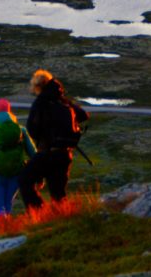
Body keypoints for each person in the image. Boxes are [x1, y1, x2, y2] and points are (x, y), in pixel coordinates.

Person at [18, 69, 89, 209]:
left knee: (24, 180)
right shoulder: (63, 101)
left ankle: (39, 212)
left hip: (47, 153)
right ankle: (62, 218)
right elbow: (83, 115)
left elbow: (31, 128)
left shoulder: (41, 102)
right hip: (65, 153)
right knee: (58, 194)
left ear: (38, 86)